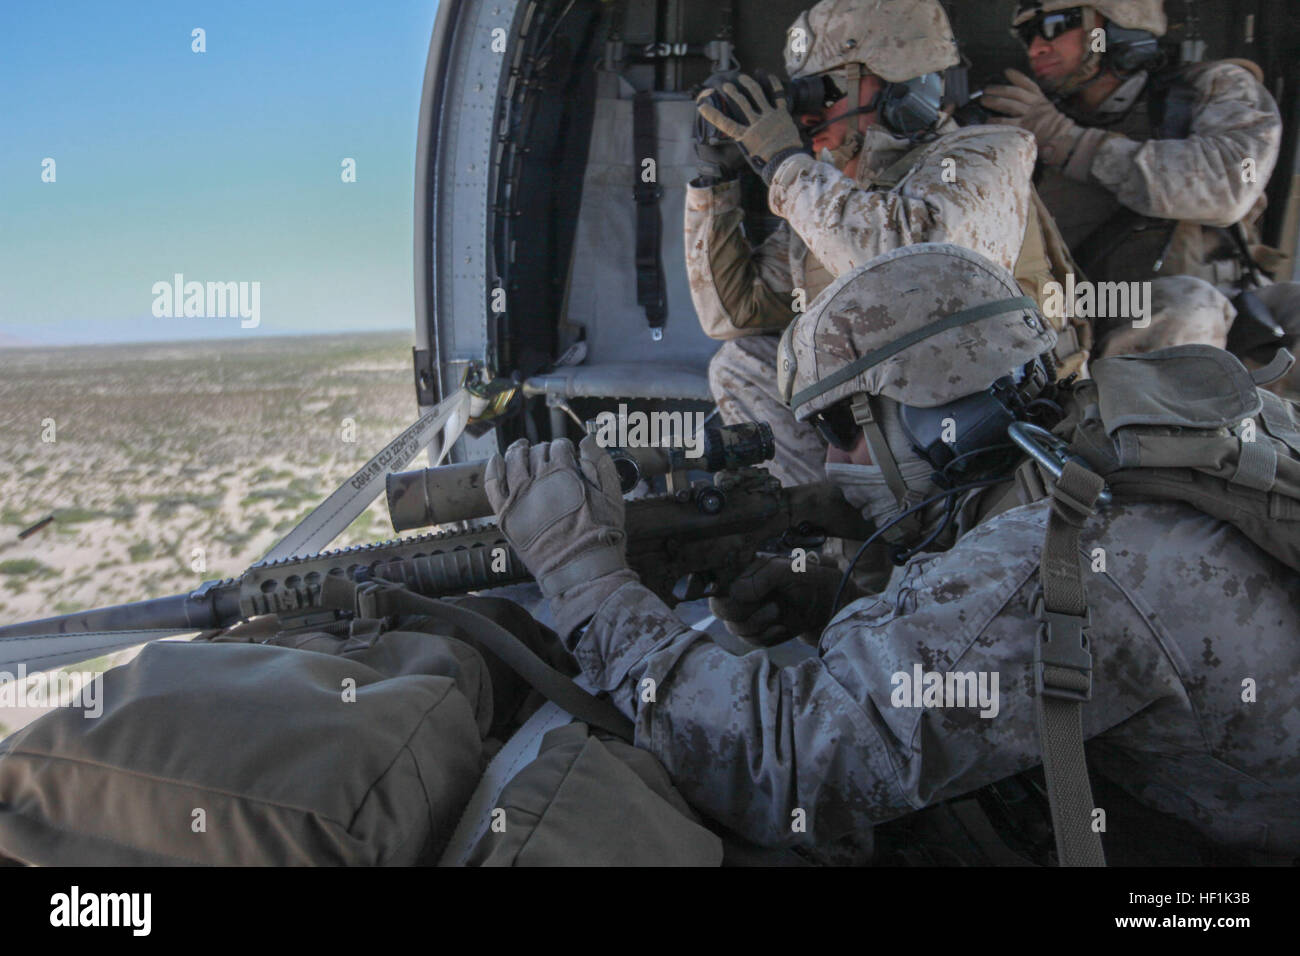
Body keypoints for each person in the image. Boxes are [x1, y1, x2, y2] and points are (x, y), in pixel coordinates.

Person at [484, 243, 1300, 865]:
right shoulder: (1130, 435)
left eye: (842, 430)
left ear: (937, 419)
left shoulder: (1057, 555)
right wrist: (837, 598)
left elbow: (789, 767)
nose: (834, 463)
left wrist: (583, 573)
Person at [685, 0, 1062, 486]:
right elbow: (733, 315)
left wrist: (783, 164)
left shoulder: (988, 154)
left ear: (900, 86)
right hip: (881, 421)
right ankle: (819, 538)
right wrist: (714, 179)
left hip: (989, 419)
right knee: (744, 362)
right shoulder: (833, 192)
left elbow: (913, 269)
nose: (804, 118)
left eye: (824, 92)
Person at [983, 0, 1300, 382]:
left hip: (1226, 301)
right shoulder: (1020, 117)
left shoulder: (1207, 89)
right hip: (1085, 307)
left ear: (1120, 26)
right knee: (1185, 309)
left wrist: (1071, 143)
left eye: (1055, 26)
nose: (1036, 48)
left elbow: (1229, 188)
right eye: (1028, 35)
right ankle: (1152, 439)